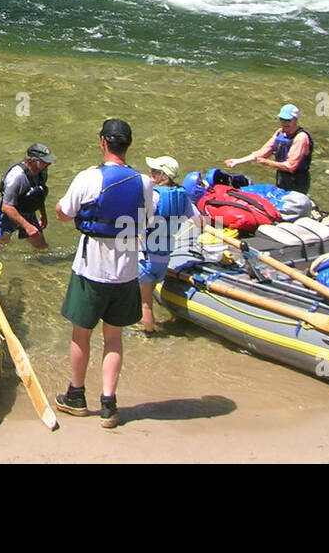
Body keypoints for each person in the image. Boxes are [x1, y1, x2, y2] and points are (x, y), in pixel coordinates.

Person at [53, 118, 152, 428]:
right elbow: (147, 222)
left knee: (81, 334)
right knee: (114, 338)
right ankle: (109, 405)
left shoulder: (88, 178)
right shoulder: (144, 182)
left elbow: (63, 214)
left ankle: (76, 396)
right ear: (129, 144)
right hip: (125, 273)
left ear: (102, 142)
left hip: (90, 269)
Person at [138, 155, 201, 335]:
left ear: (163, 176)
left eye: (154, 171)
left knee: (145, 302)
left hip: (147, 259)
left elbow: (139, 222)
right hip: (164, 259)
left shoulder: (154, 196)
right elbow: (199, 221)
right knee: (147, 296)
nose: (150, 173)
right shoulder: (183, 197)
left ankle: (148, 332)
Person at [225, 103, 314, 193]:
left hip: (297, 180)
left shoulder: (301, 138)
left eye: (288, 120)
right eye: (282, 119)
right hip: (282, 176)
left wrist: (268, 163)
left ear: (295, 120)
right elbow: (263, 152)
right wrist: (237, 161)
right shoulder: (280, 132)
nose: (284, 123)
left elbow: (290, 166)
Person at [0, 143, 55, 250]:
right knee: (0, 244)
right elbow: (6, 207)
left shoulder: (42, 173)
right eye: (45, 161)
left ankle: (39, 266)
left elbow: (38, 194)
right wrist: (27, 226)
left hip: (28, 210)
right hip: (9, 212)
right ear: (34, 161)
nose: (49, 164)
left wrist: (43, 214)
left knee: (41, 246)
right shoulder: (17, 177)